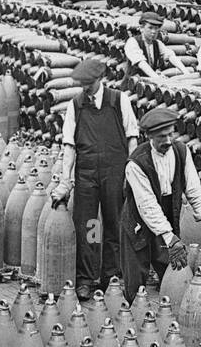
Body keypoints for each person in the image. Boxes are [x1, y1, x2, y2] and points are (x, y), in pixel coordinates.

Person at [52, 58, 139, 301]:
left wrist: (130, 173)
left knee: (114, 223)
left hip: (115, 172)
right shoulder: (76, 105)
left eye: (89, 84)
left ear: (100, 79)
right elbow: (69, 145)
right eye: (83, 85)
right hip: (87, 174)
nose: (85, 89)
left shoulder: (118, 100)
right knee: (90, 225)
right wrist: (65, 180)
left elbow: (132, 137)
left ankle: (111, 275)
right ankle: (86, 279)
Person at [119, 107, 201, 301]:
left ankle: (166, 319)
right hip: (138, 220)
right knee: (135, 279)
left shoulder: (181, 151)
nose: (168, 141)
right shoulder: (136, 163)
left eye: (171, 134)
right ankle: (133, 319)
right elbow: (148, 206)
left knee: (172, 273)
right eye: (162, 136)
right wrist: (170, 239)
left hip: (168, 212)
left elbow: (194, 190)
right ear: (149, 135)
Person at [124, 11, 188, 80]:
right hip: (132, 85)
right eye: (150, 28)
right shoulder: (132, 42)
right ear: (141, 28)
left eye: (156, 28)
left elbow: (171, 56)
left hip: (149, 85)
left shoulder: (157, 43)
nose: (154, 31)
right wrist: (157, 78)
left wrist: (186, 73)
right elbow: (141, 63)